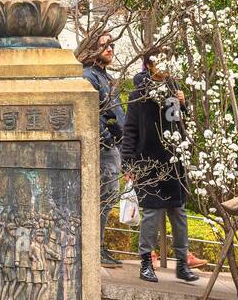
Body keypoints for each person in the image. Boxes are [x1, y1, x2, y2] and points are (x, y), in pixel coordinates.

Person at [121, 46, 198, 285]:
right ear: (151, 65)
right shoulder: (139, 93)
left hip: (173, 160)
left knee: (179, 211)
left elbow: (175, 124)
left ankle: (182, 263)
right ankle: (146, 262)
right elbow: (131, 129)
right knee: (152, 212)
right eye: (162, 63)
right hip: (149, 159)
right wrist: (128, 162)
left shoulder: (173, 88)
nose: (167, 68)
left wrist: (182, 105)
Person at [80, 31, 126, 269]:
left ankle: (97, 245)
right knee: (103, 197)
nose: (109, 49)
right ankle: (94, 247)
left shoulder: (105, 77)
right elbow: (89, 114)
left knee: (108, 197)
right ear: (93, 49)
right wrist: (108, 136)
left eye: (112, 45)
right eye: (104, 45)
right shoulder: (88, 77)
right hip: (102, 149)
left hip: (112, 147)